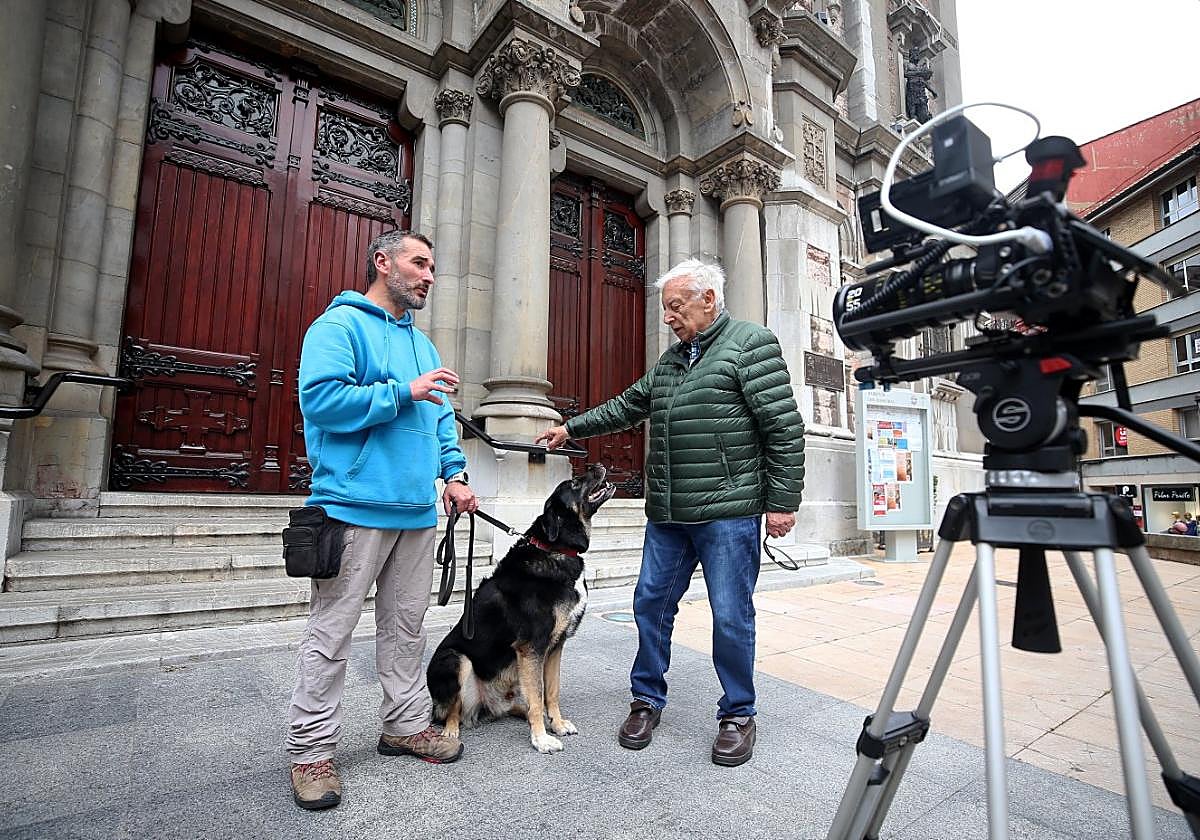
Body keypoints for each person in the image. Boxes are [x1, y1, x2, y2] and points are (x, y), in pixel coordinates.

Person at [535, 258, 805, 767]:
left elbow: (784, 429)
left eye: (676, 307)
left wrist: (782, 502)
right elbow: (628, 404)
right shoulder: (674, 359)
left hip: (728, 510)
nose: (668, 318)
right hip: (669, 513)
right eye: (667, 309)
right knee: (650, 604)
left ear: (709, 300)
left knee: (730, 614)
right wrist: (571, 429)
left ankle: (739, 713)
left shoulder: (751, 343)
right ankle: (646, 700)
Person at [286, 230, 478, 810]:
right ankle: (311, 750)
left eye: (433, 267)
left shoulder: (424, 346)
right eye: (419, 263)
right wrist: (402, 392)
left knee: (406, 629)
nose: (429, 276)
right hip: (351, 508)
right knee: (332, 632)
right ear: (382, 263)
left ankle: (403, 725)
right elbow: (321, 402)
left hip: (417, 513)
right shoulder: (338, 328)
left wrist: (454, 474)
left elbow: (442, 421)